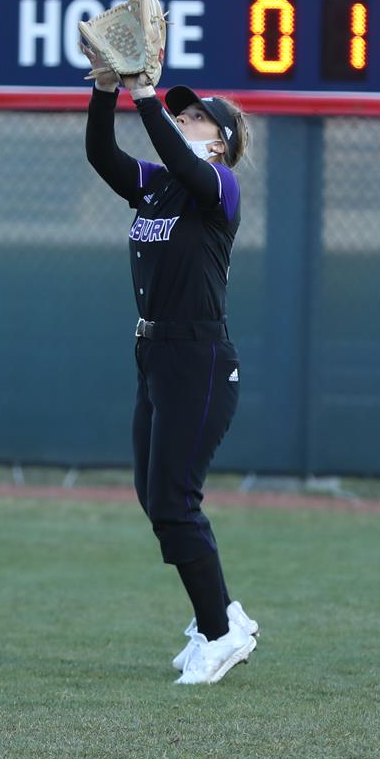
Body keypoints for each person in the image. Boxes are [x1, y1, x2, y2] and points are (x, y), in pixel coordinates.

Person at [81, 41, 261, 685]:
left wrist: (146, 94)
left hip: (200, 358)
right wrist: (106, 89)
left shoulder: (219, 189)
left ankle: (219, 635)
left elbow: (172, 151)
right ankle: (223, 616)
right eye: (180, 114)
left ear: (221, 141)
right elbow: (103, 156)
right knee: (155, 499)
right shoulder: (160, 188)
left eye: (196, 118)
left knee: (175, 502)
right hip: (154, 353)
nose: (183, 121)